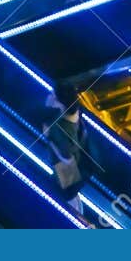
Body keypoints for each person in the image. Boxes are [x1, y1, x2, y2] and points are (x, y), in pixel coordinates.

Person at [41, 87, 94, 220]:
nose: (49, 96)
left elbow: (66, 159)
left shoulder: (59, 132)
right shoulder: (75, 118)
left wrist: (50, 138)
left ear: (60, 104)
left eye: (53, 95)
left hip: (61, 188)